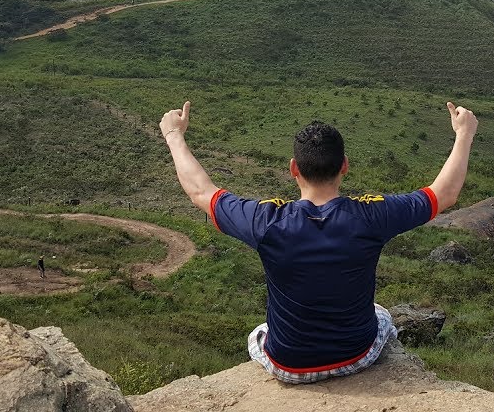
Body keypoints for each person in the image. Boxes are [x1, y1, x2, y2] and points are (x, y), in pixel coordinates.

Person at [161, 99, 477, 385]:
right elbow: (444, 193)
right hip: (357, 356)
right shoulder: (372, 216)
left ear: (293, 169)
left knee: (258, 332)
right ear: (344, 166)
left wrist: (174, 136)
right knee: (381, 313)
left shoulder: (267, 222)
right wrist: (464, 134)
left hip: (288, 365)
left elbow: (201, 191)